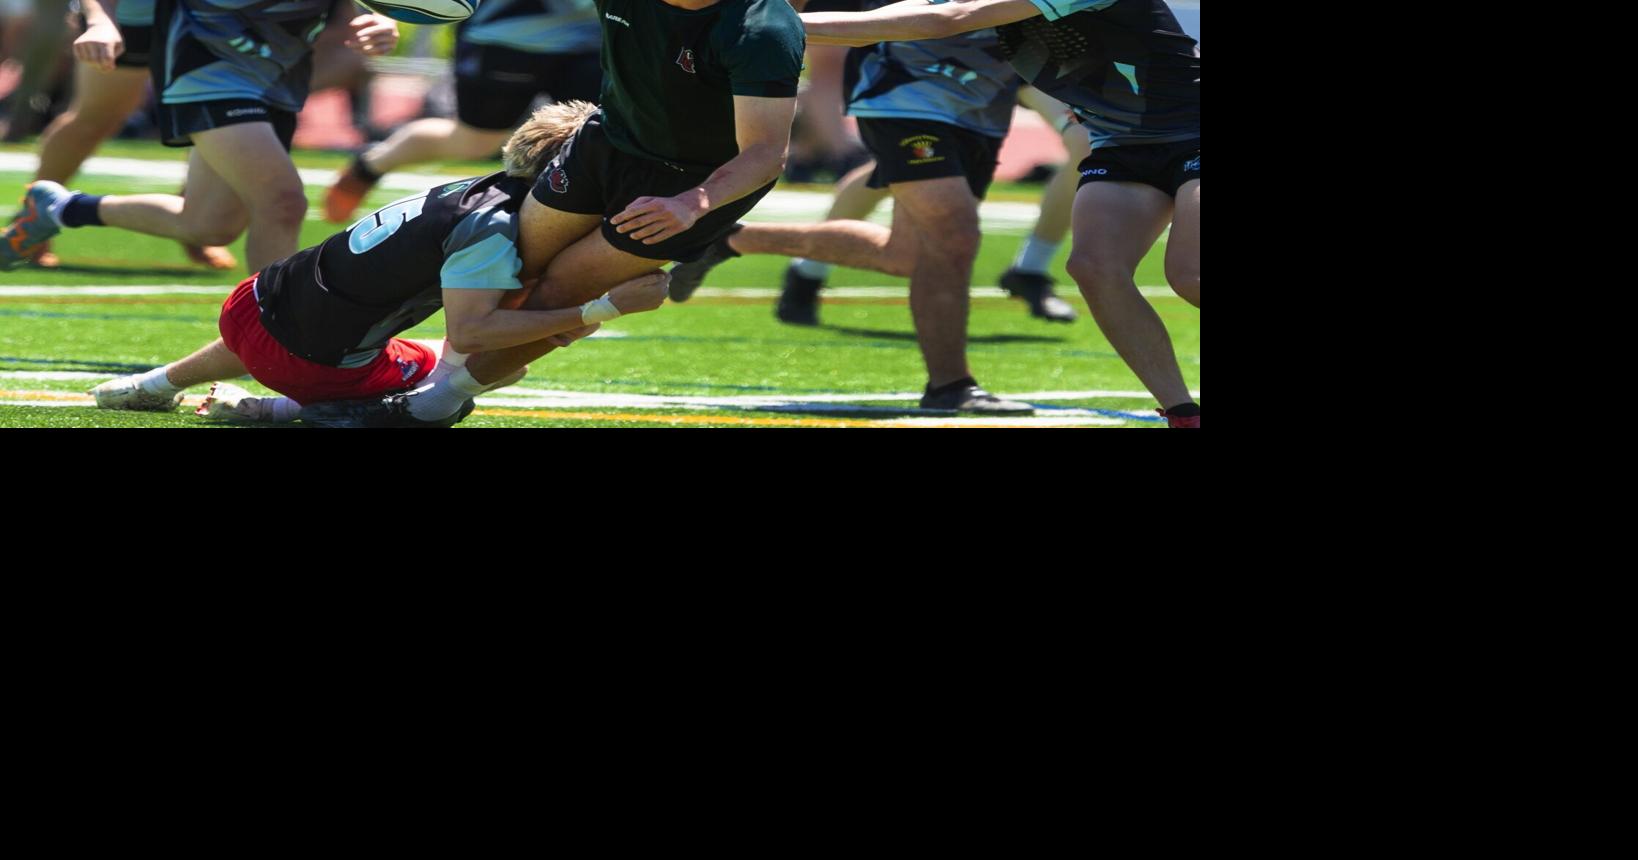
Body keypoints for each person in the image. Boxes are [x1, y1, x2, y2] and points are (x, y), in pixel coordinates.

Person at [338, 0, 805, 426]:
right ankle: (436, 379)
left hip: (688, 186)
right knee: (510, 266)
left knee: (560, 293)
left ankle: (432, 404)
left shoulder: (760, 29)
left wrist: (691, 204)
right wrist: (404, 12)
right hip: (605, 146)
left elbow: (765, 153)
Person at [89, 100, 671, 427]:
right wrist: (601, 306)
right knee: (478, 373)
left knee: (292, 320)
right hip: (309, 362)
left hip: (250, 305)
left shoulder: (465, 189)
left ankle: (151, 383)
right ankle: (275, 410)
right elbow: (472, 333)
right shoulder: (492, 228)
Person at [800, 0, 1201, 427]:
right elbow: (908, 16)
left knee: (1190, 273)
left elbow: (945, 21)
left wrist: (774, 22)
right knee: (1094, 266)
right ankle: (1183, 413)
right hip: (1121, 145)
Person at [665, 5, 1037, 413]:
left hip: (982, 109)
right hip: (901, 96)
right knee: (954, 233)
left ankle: (730, 239)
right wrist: (753, 27)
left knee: (909, 255)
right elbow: (941, 18)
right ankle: (950, 385)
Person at [2, 1, 400, 274]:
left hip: (267, 64)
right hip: (179, 40)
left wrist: (379, 21)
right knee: (281, 201)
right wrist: (102, 21)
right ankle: (277, 338)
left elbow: (347, 13)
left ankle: (59, 208)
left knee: (210, 224)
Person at [323, 0, 604, 224]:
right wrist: (392, 13)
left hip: (596, 40)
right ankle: (371, 165)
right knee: (476, 142)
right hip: (504, 37)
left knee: (600, 138)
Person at [14, 0, 236, 270]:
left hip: (221, 21)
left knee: (217, 120)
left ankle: (196, 221)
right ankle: (36, 214)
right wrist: (100, 20)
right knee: (95, 119)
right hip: (134, 16)